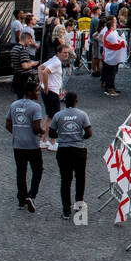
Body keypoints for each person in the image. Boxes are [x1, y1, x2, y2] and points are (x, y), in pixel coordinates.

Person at [5, 79, 45, 212]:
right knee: (37, 170)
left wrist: (17, 133)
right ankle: (31, 195)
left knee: (21, 172)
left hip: (18, 144)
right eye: (36, 91)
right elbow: (36, 128)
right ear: (30, 92)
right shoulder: (35, 107)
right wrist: (43, 132)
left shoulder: (14, 105)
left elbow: (8, 124)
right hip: (32, 145)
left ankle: (21, 199)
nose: (37, 93)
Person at [51, 91, 92, 219]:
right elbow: (89, 132)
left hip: (63, 151)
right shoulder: (82, 115)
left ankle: (66, 211)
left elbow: (51, 133)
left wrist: (63, 136)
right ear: (76, 101)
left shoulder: (58, 115)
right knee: (80, 179)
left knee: (65, 180)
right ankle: (79, 208)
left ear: (65, 101)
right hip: (79, 150)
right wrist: (80, 137)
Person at [38, 43, 70, 151]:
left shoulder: (54, 59)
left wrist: (41, 83)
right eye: (64, 53)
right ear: (58, 53)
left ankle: (43, 140)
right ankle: (52, 142)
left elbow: (40, 68)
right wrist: (46, 86)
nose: (66, 55)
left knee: (49, 117)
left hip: (51, 91)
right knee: (54, 119)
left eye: (67, 53)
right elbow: (45, 71)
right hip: (52, 93)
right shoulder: (56, 62)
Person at [100, 18, 126, 95]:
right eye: (114, 25)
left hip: (110, 57)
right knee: (111, 74)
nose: (116, 26)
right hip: (111, 58)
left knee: (111, 73)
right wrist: (123, 41)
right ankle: (110, 88)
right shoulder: (111, 34)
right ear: (111, 27)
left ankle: (111, 87)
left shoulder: (110, 33)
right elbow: (116, 44)